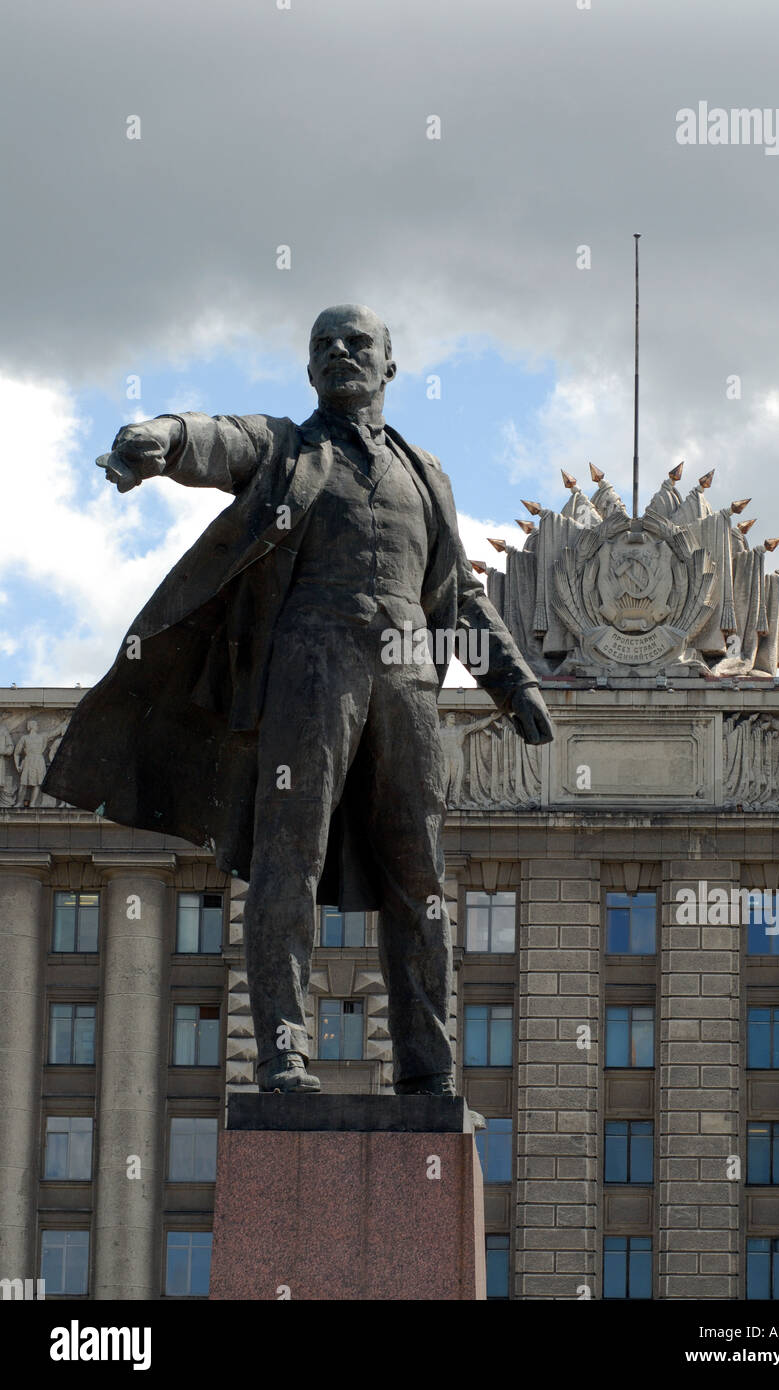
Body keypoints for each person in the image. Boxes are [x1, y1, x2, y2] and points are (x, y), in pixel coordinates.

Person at [44, 304, 553, 1096]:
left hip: (410, 675)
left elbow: (457, 595)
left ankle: (427, 1066)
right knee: (289, 856)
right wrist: (164, 436)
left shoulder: (428, 474)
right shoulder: (288, 447)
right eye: (325, 347)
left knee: (418, 873)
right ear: (311, 370)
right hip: (312, 665)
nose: (341, 354)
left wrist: (513, 684)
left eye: (359, 345)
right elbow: (219, 438)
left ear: (391, 365)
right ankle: (284, 1051)